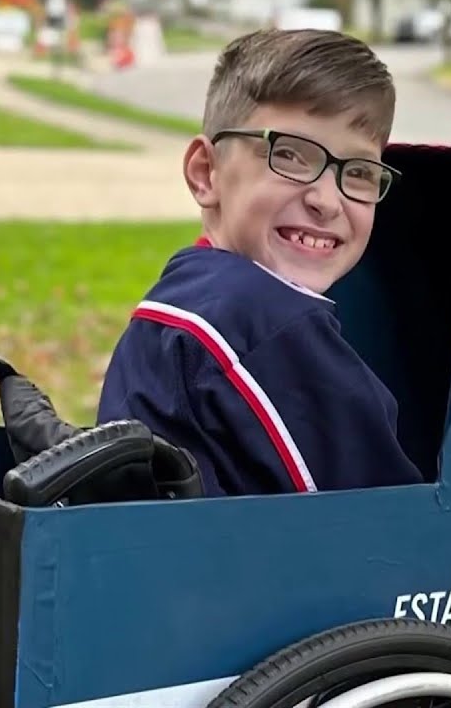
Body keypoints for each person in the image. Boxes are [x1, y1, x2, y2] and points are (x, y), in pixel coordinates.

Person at [95, 28, 427, 497]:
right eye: (289, 154)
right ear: (205, 172)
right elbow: (394, 527)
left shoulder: (180, 300)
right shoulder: (260, 321)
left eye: (359, 173)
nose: (326, 201)